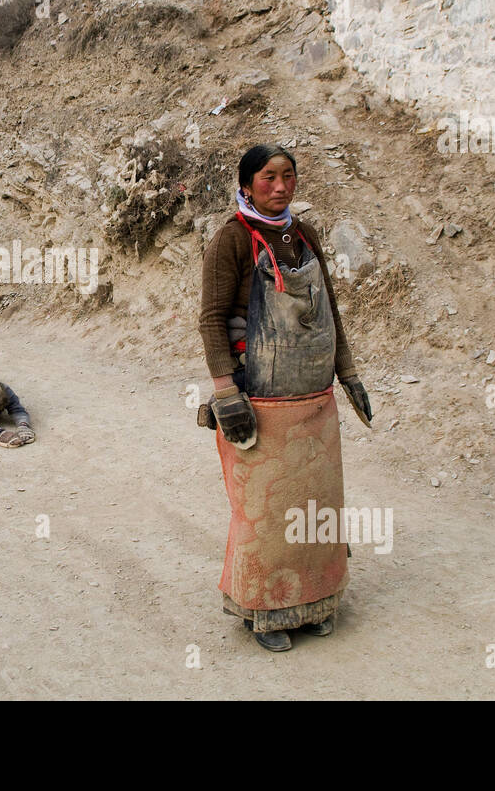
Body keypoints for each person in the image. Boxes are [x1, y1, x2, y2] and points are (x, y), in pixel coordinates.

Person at [198, 144, 373, 652]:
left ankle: (316, 603)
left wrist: (349, 373)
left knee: (317, 509)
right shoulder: (230, 240)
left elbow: (329, 311)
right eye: (269, 177)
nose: (280, 186)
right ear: (248, 184)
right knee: (267, 516)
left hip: (314, 401)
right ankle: (266, 615)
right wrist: (225, 392)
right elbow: (211, 318)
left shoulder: (305, 235)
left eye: (288, 176)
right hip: (262, 403)